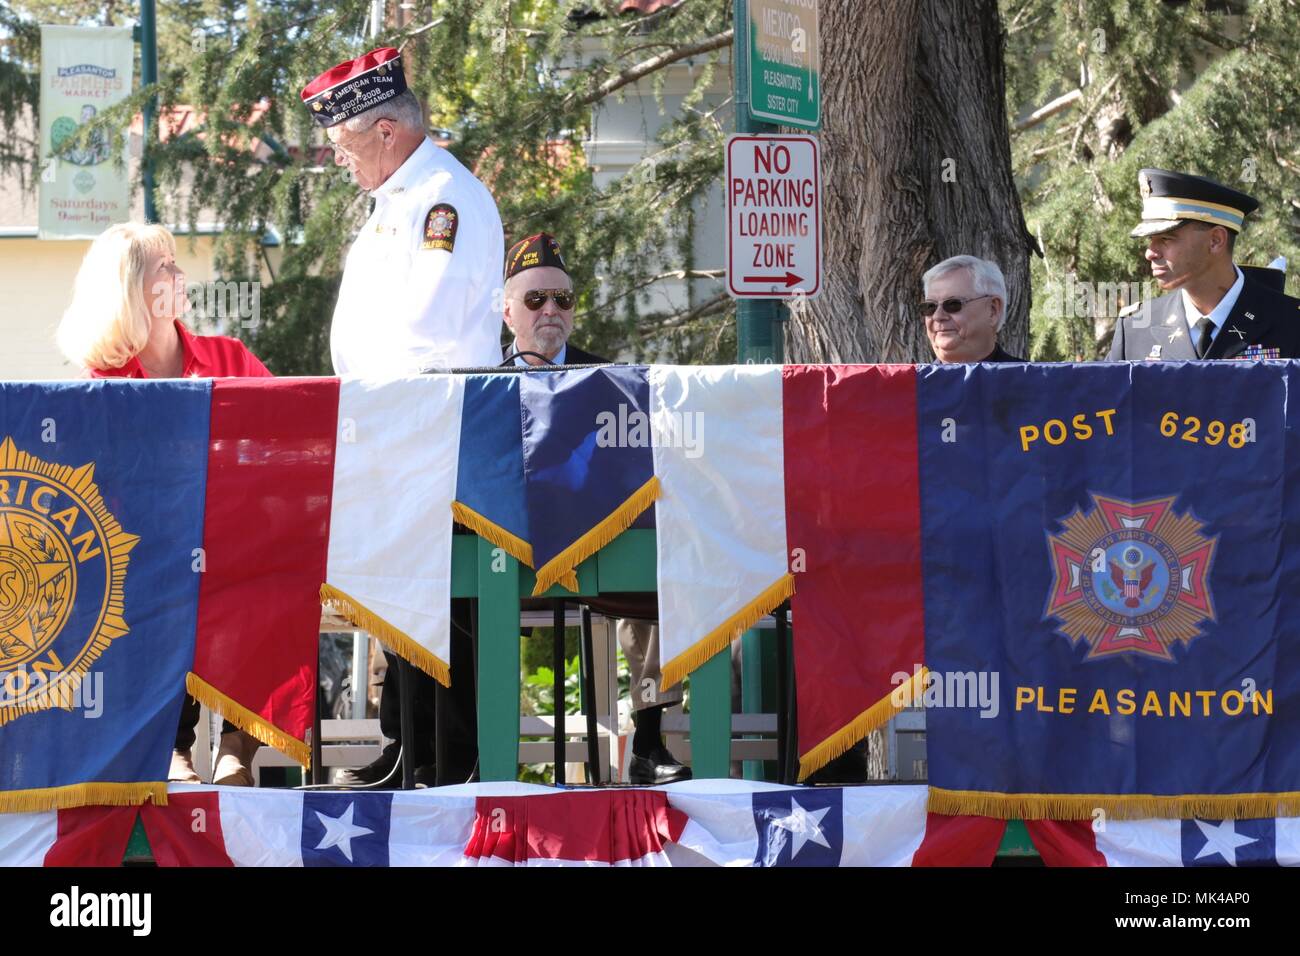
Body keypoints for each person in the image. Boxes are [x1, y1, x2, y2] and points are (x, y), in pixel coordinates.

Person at [304, 46, 504, 787]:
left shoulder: (442, 202)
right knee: (403, 597)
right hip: (393, 434)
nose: (336, 157)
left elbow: (427, 327)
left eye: (343, 141)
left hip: (433, 433)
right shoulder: (399, 202)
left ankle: (445, 757)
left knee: (442, 600)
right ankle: (409, 743)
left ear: (386, 131)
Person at [55, 222, 269, 786]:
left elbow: (285, 440)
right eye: (166, 266)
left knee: (270, 572)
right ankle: (165, 745)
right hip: (144, 552)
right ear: (130, 290)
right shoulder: (99, 383)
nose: (180, 274)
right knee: (144, 577)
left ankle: (238, 749)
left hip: (234, 542)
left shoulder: (230, 357)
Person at [503, 233, 691, 784]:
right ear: (507, 309)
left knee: (659, 561)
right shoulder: (473, 377)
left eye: (563, 299)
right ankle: (446, 749)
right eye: (536, 300)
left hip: (591, 545)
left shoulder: (610, 380)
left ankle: (650, 738)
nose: (552, 311)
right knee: (418, 574)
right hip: (501, 543)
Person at [1108, 169, 1300, 361]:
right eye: (1151, 239)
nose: (1150, 253)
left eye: (1166, 239)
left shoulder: (1291, 322)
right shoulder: (1136, 328)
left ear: (1216, 240)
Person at [920, 255, 1023, 363]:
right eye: (930, 306)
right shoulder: (912, 379)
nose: (938, 316)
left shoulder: (1032, 378)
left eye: (953, 304)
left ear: (992, 311)